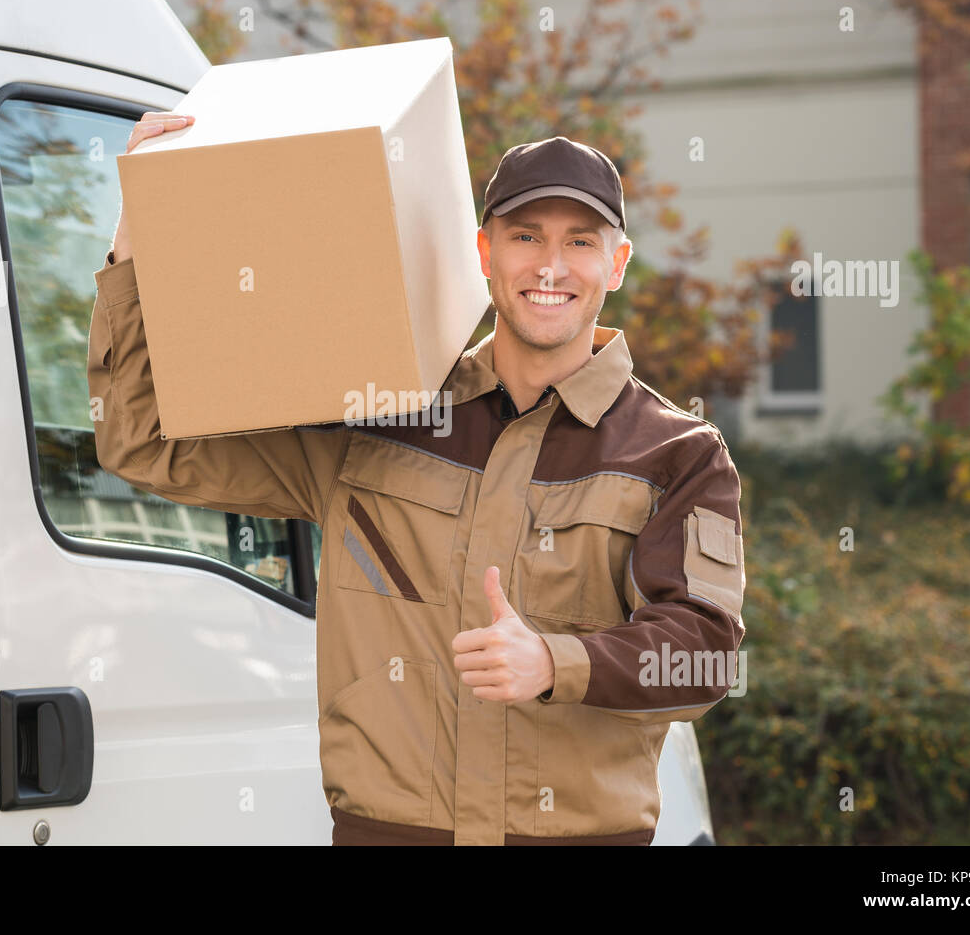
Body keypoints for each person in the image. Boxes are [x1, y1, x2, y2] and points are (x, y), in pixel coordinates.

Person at [87, 117, 747, 845]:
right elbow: (143, 441)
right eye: (526, 235)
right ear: (485, 251)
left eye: (580, 241)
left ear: (616, 263)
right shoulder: (377, 412)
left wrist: (557, 660)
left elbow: (706, 652)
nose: (550, 266)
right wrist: (136, 232)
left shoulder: (676, 452)